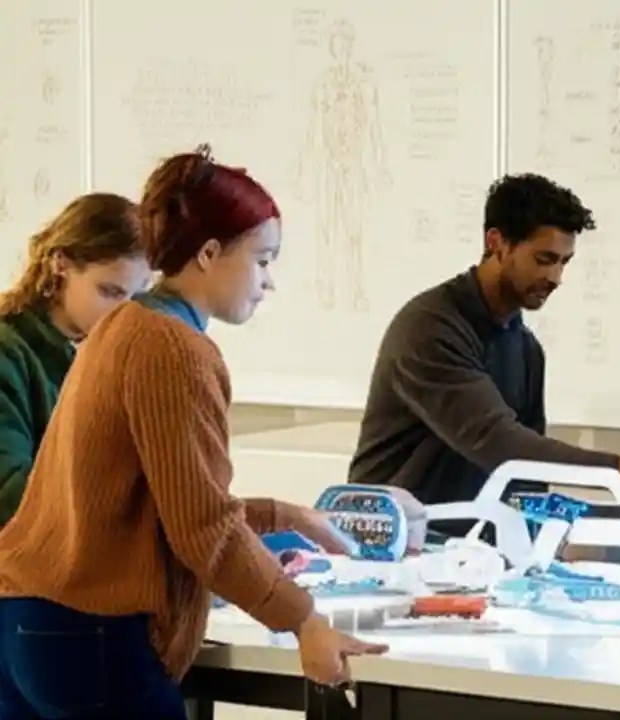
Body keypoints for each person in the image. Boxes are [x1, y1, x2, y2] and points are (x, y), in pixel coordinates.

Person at [0, 145, 386, 719]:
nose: (268, 282)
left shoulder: (122, 327)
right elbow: (202, 526)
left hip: (30, 622)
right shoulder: (172, 348)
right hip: (92, 635)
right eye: (262, 259)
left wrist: (287, 516)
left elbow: (157, 502)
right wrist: (303, 620)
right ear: (209, 254)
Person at [350, 173, 620, 529]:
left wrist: (602, 524)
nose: (556, 277)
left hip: (465, 553)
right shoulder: (430, 328)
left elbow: (527, 483)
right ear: (497, 243)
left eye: (565, 262)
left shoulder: (527, 349)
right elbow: (499, 443)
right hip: (384, 545)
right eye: (544, 259)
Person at [0, 193, 152, 527]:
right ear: (61, 265)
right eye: (110, 292)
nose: (124, 312)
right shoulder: (9, 352)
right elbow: (10, 497)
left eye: (135, 297)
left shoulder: (88, 349)